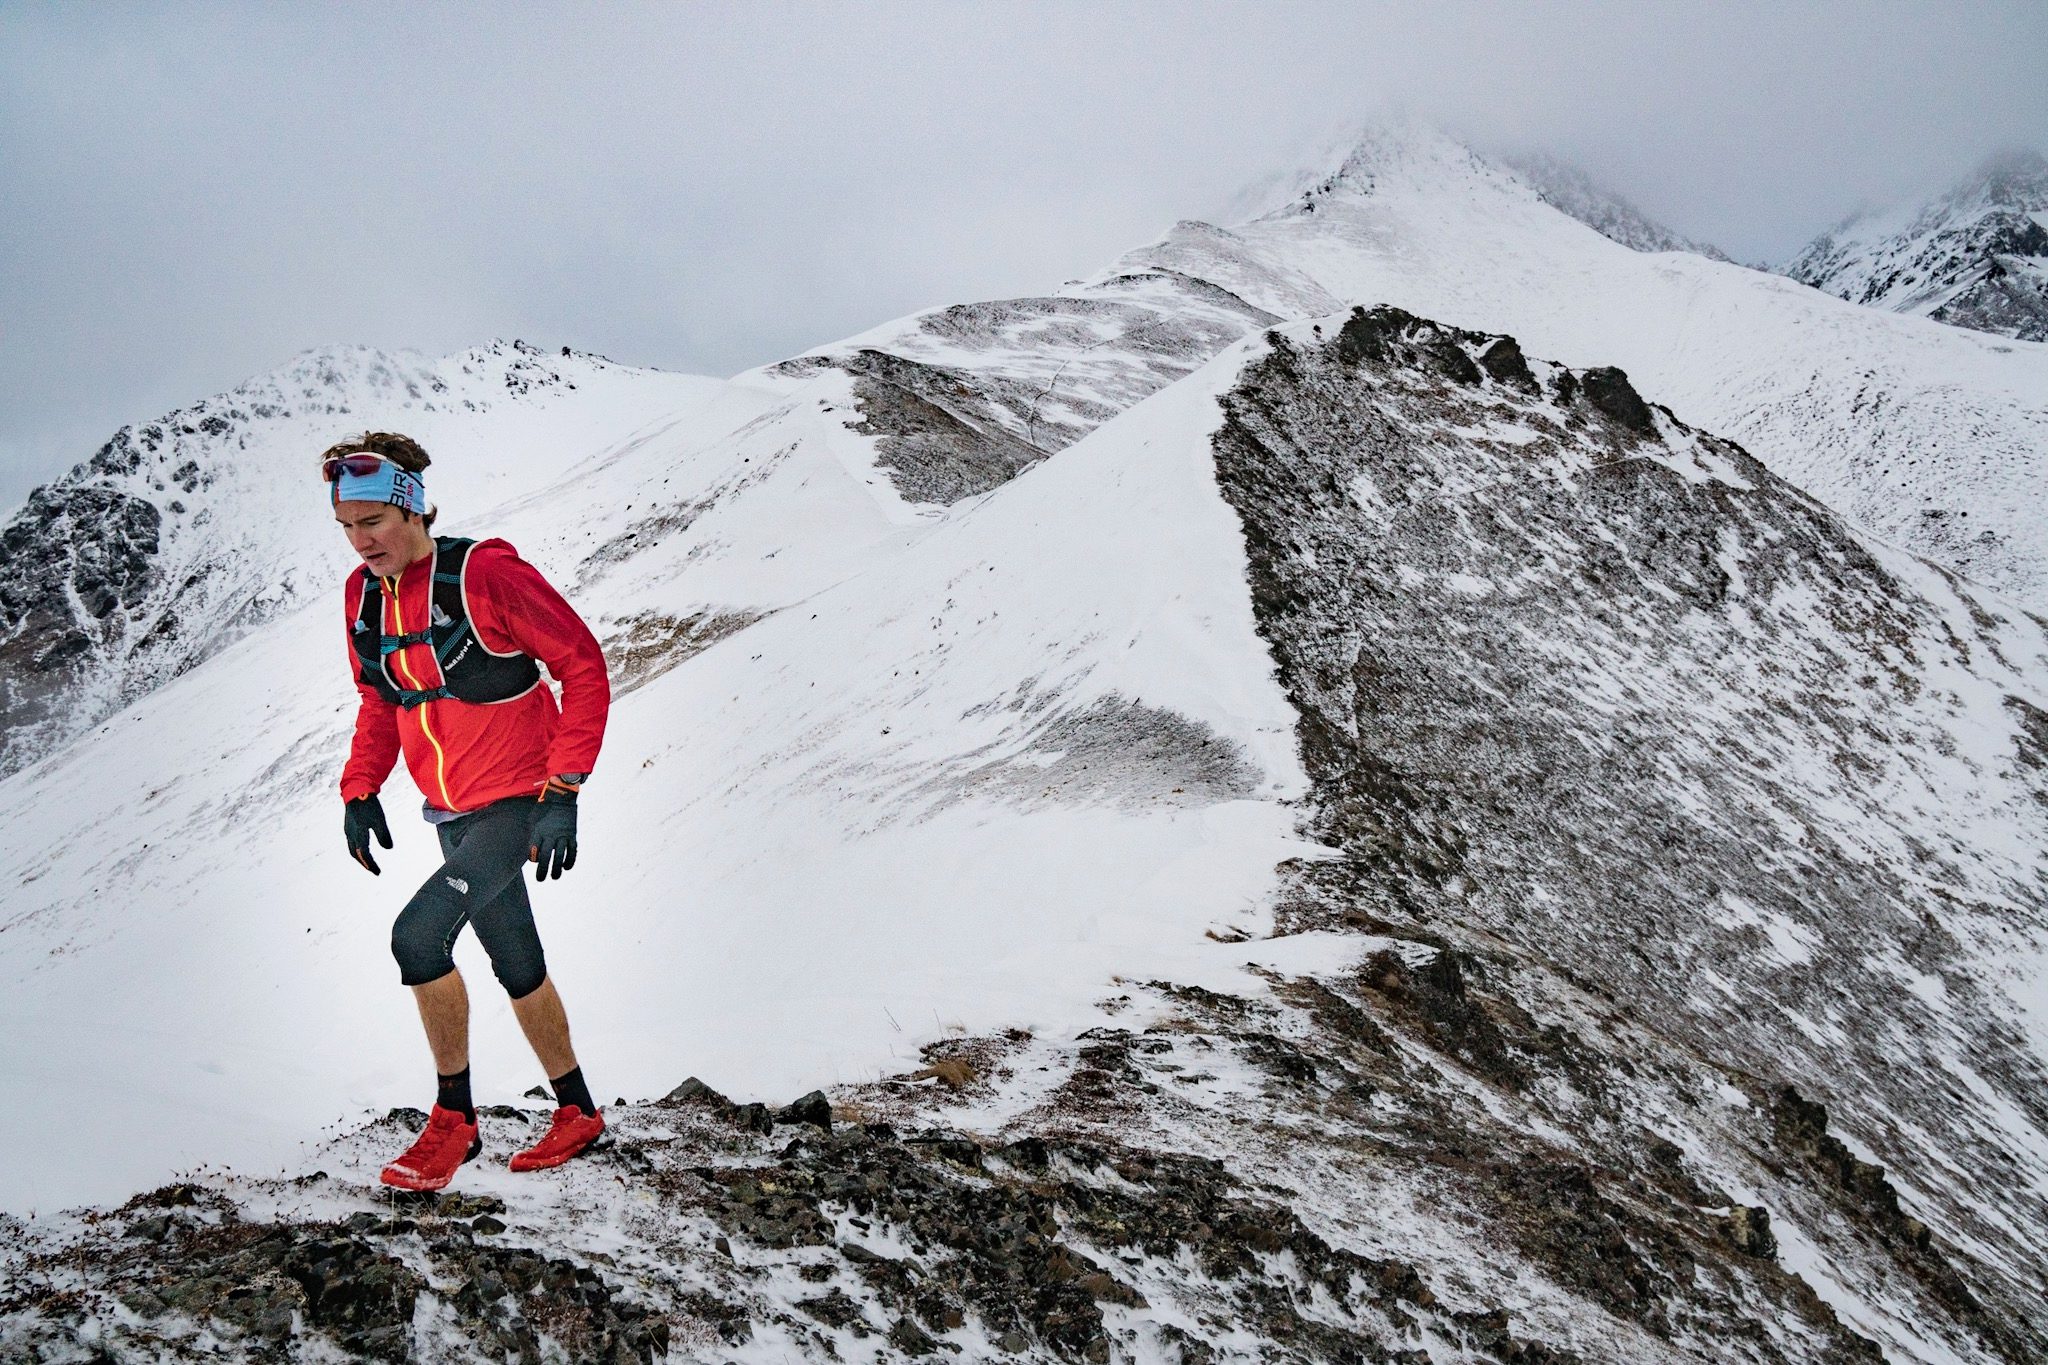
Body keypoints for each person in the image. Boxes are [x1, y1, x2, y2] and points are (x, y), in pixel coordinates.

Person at [325, 431, 611, 1191]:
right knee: (517, 961)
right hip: (449, 807)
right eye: (346, 528)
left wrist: (565, 789)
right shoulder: (364, 597)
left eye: (373, 523)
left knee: (417, 939)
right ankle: (577, 1109)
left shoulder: (484, 574)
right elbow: (381, 700)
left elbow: (581, 663)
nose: (360, 543)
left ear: (412, 507)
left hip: (520, 799)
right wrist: (360, 788)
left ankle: (456, 1120)